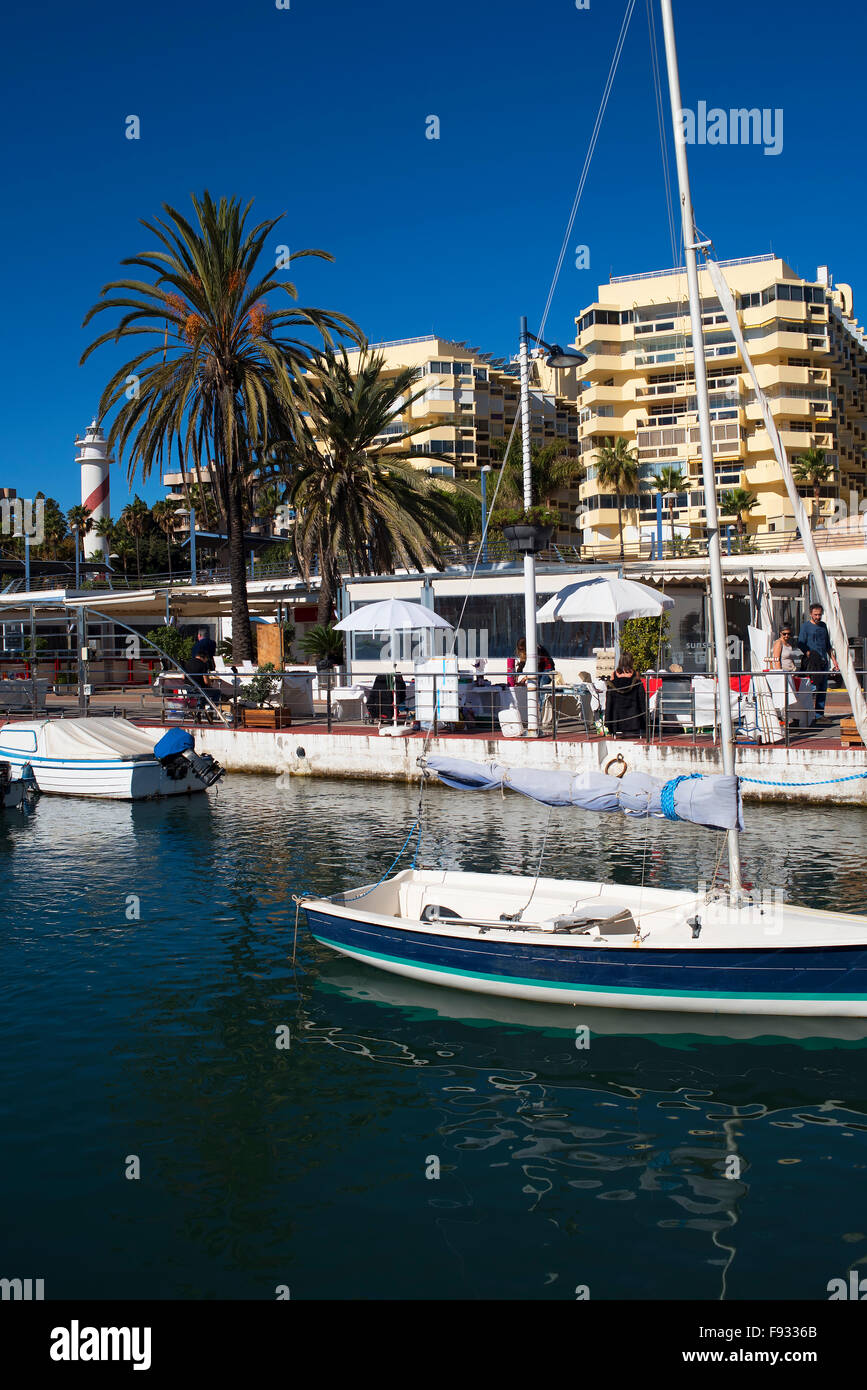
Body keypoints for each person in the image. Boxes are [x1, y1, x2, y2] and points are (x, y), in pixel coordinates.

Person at [796, 603, 838, 718]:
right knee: (811, 688)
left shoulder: (823, 626)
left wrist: (834, 661)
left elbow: (828, 645)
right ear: (810, 614)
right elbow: (800, 643)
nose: (818, 617)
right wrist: (810, 655)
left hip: (823, 662)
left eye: (820, 615)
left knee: (822, 689)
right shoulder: (805, 626)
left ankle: (819, 715)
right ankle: (805, 714)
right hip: (812, 663)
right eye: (815, 615)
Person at [604, 652, 647, 738]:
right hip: (633, 709)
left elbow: (610, 694)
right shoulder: (635, 675)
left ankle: (615, 733)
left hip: (617, 711)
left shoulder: (614, 674)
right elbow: (641, 696)